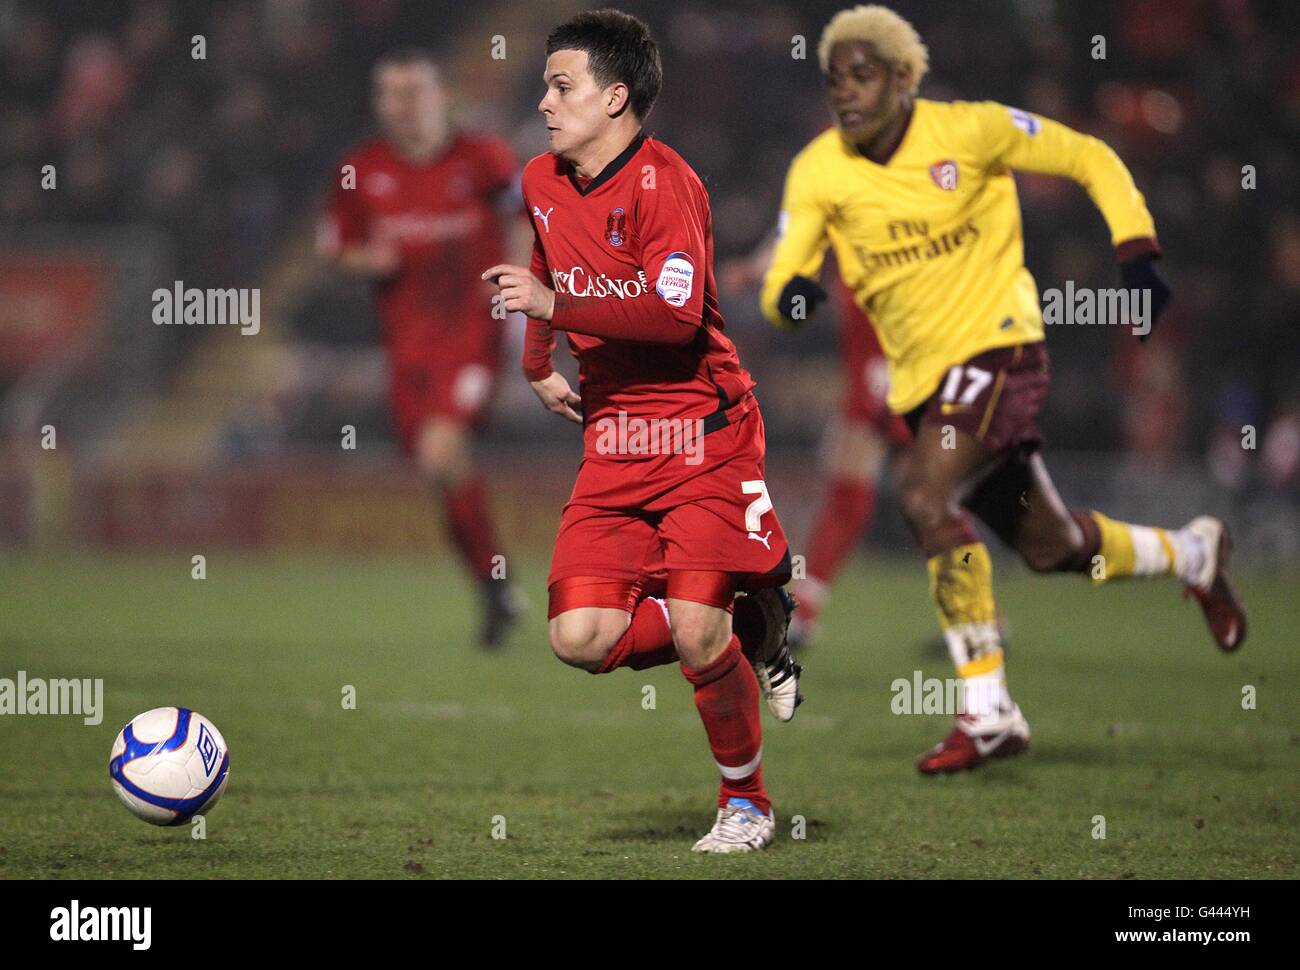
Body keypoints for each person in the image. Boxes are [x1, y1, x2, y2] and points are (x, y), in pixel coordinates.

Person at [761, 4, 1246, 774]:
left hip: (999, 349)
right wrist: (789, 298)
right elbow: (787, 267)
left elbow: (1088, 154)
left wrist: (1137, 248)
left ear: (904, 79)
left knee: (923, 494)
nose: (846, 93)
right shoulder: (819, 167)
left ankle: (987, 710)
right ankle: (1191, 552)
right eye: (834, 80)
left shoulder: (970, 130)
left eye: (863, 75)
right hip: (925, 386)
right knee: (1054, 547)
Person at [484, 9, 801, 852]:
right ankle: (755, 619)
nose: (545, 101)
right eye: (545, 84)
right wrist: (538, 360)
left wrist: (554, 308)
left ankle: (748, 806)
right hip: (616, 439)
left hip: (703, 433)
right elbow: (544, 264)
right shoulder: (541, 179)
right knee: (579, 639)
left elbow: (672, 316)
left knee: (697, 632)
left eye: (562, 85)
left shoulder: (670, 185)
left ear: (616, 96)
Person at [320, 49, 524, 649]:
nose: (404, 104)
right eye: (391, 93)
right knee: (441, 471)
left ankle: (494, 588)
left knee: (441, 451)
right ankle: (495, 586)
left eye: (415, 91)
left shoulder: (483, 157)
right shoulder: (360, 170)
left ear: (442, 97)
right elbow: (336, 246)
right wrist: (368, 259)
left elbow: (529, 212)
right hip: (408, 347)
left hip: (474, 330)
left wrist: (516, 277)